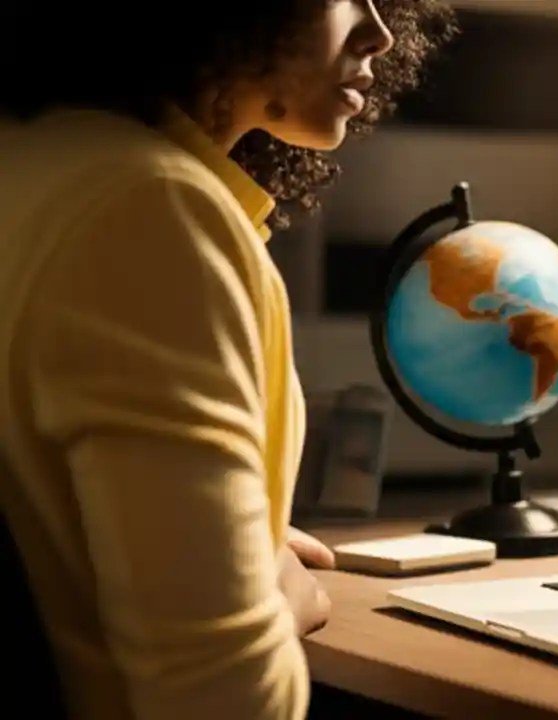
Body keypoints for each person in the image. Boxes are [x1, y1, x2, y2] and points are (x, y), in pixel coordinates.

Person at [0, 2, 454, 719]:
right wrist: (274, 589)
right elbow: (225, 703)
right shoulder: (149, 210)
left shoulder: (37, 164)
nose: (381, 33)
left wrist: (229, 542)